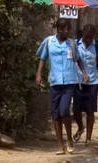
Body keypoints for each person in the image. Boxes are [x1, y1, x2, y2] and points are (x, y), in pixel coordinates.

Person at [35, 17, 86, 155]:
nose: (68, 31)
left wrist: (84, 73)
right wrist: (39, 74)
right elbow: (42, 59)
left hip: (70, 81)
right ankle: (60, 145)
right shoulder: (49, 42)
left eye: (69, 29)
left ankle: (69, 140)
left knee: (64, 110)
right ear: (59, 29)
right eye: (65, 29)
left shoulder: (72, 44)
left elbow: (78, 59)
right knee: (56, 114)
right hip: (55, 81)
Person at [73, 23, 98, 143]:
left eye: (90, 38)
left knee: (90, 111)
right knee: (76, 110)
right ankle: (81, 127)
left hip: (92, 83)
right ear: (82, 34)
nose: (87, 40)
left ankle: (88, 138)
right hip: (78, 82)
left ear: (94, 36)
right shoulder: (75, 45)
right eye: (86, 37)